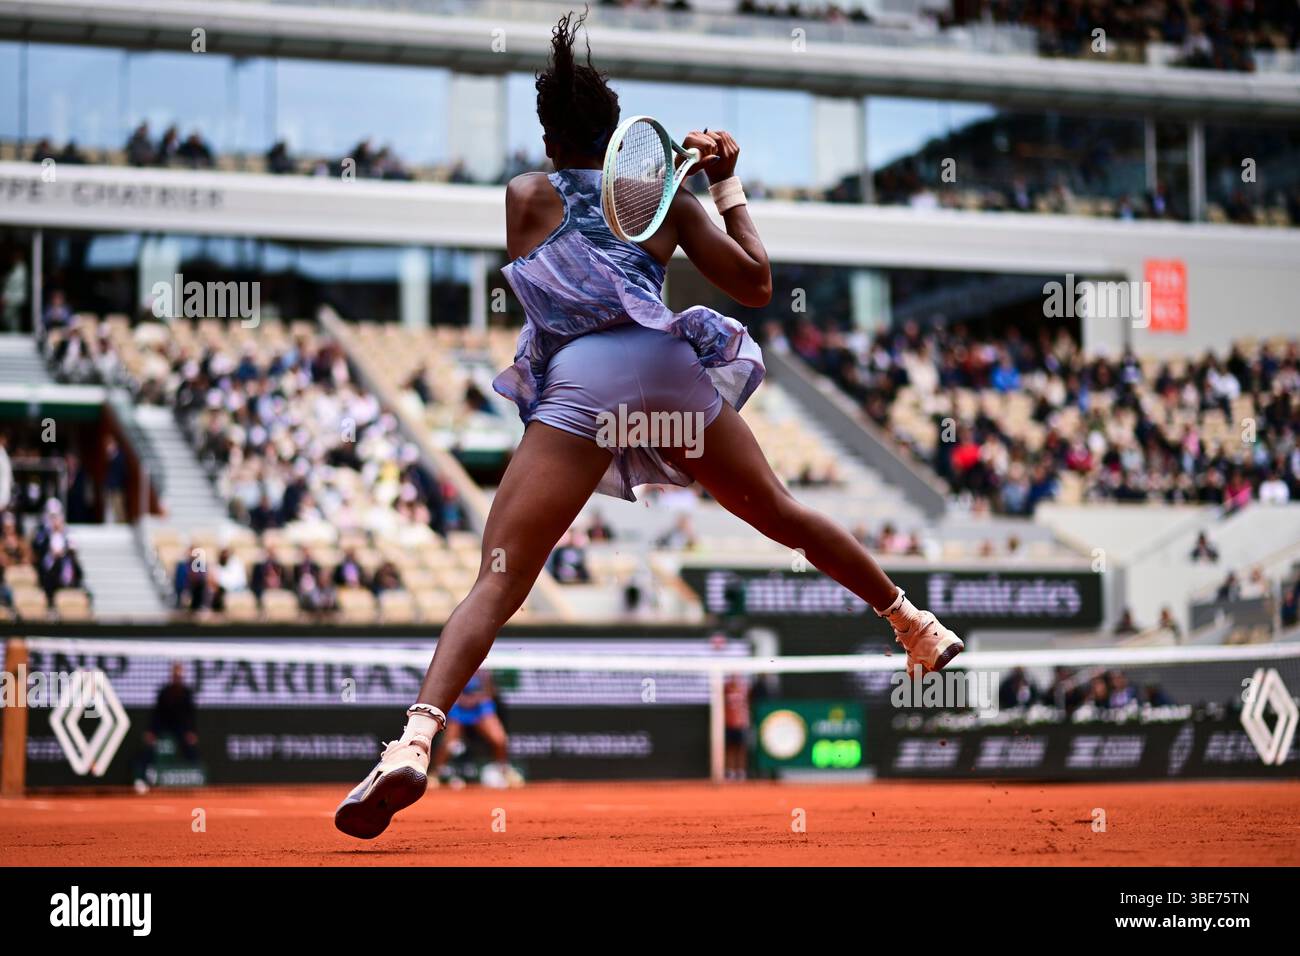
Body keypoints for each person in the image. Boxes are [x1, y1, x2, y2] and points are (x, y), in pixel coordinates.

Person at [334, 12, 964, 840]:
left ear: (549, 134)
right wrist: (717, 183)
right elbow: (755, 284)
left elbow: (572, 246)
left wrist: (661, 179)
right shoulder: (662, 199)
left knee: (497, 579)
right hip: (668, 372)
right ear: (623, 136)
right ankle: (912, 624)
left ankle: (415, 741)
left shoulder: (523, 197)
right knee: (783, 515)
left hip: (584, 384)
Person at [428, 671, 522, 789]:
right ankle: (434, 774)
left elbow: (490, 691)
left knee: (499, 739)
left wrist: (475, 699)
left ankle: (504, 771)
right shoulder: (457, 666)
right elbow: (449, 689)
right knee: (448, 744)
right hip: (458, 707)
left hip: (481, 707)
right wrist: (463, 700)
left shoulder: (484, 670)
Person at [132, 662, 200, 793]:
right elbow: (156, 714)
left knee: (191, 748)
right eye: (175, 675)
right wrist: (151, 732)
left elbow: (191, 715)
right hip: (163, 725)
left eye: (180, 675)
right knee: (148, 748)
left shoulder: (187, 693)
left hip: (180, 727)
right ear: (172, 676)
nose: (177, 678)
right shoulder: (164, 692)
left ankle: (196, 779)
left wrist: (192, 732)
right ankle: (141, 780)